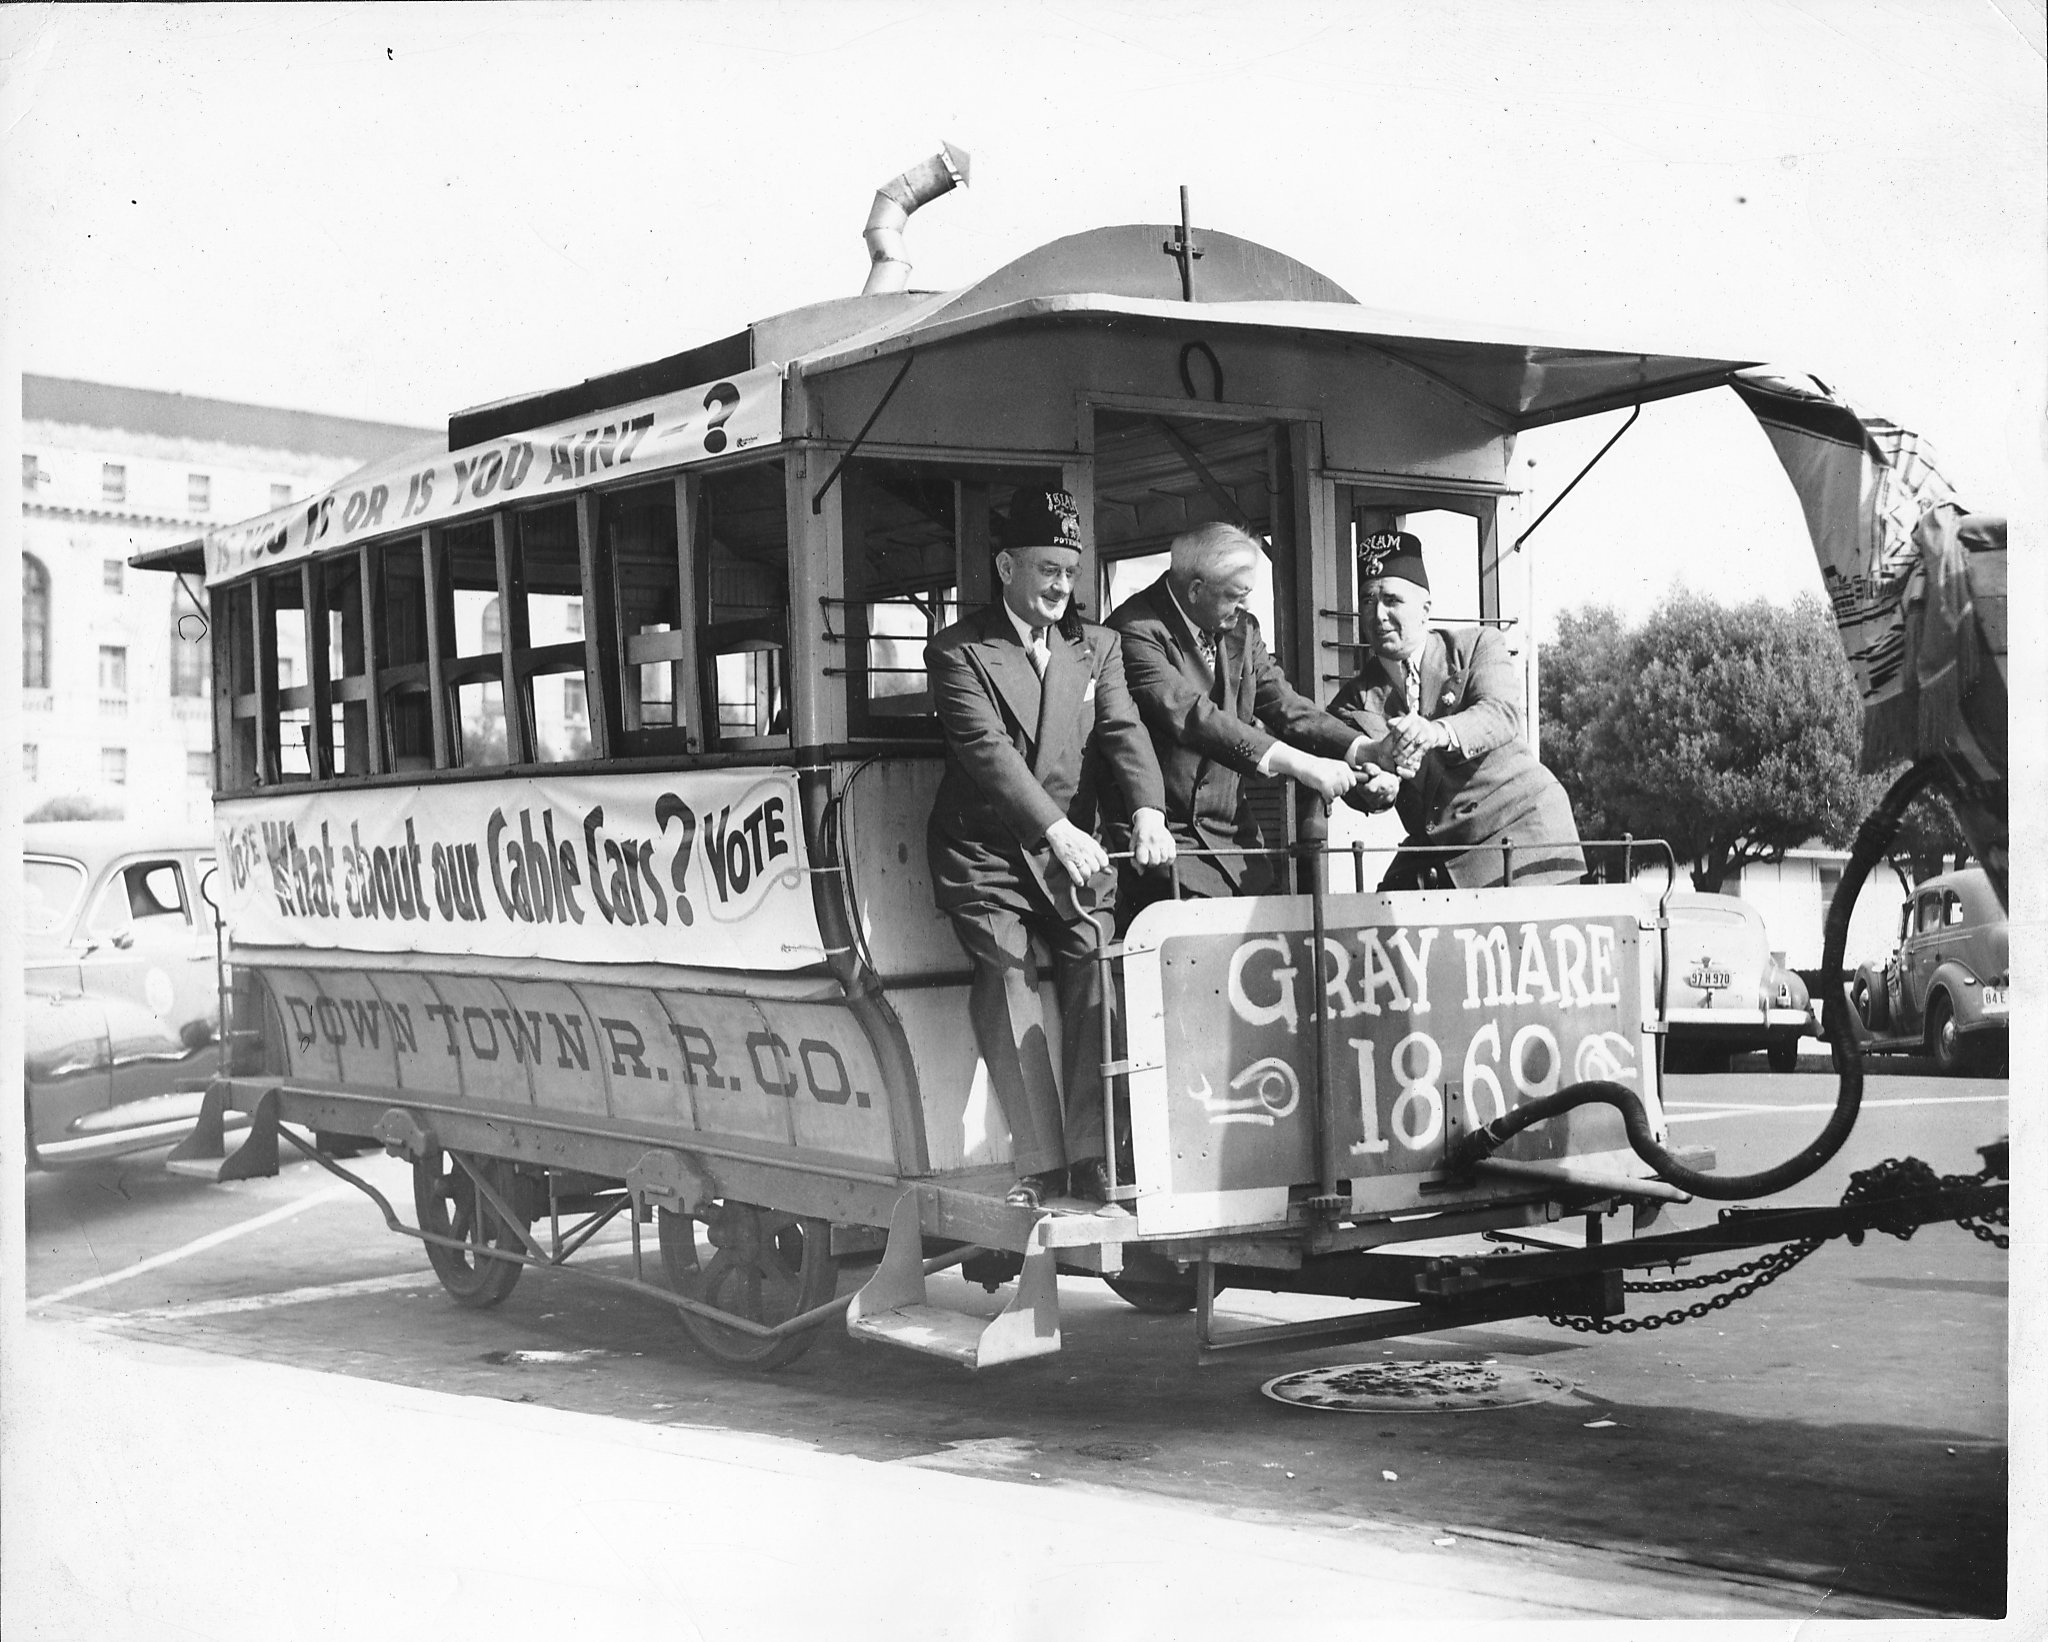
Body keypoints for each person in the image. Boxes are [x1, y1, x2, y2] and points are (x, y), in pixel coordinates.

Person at [925, 488, 1176, 1211]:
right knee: (1008, 979)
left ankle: (1094, 1157)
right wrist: (1057, 832)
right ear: (1006, 566)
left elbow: (1124, 734)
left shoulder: (1097, 647)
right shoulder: (958, 650)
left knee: (1097, 974)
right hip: (988, 854)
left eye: (1069, 573)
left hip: (1073, 853)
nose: (1061, 588)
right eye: (1046, 571)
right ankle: (1043, 1163)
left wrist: (1148, 812)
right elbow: (987, 751)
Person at [1105, 521, 1382, 921]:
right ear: (1196, 589)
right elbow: (1197, 717)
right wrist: (1302, 765)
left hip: (1233, 839)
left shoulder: (1241, 629)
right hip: (1166, 841)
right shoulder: (1134, 631)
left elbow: (1284, 703)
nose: (1245, 609)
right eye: (1235, 597)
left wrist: (1361, 747)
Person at [1328, 530, 1584, 889]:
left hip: (1523, 834)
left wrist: (1436, 732)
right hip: (1440, 851)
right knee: (1380, 931)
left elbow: (1501, 713)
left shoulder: (1477, 644)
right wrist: (1372, 790)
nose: (1379, 614)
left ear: (1425, 610)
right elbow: (1350, 763)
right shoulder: (1352, 701)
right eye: (1368, 601)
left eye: (1392, 600)